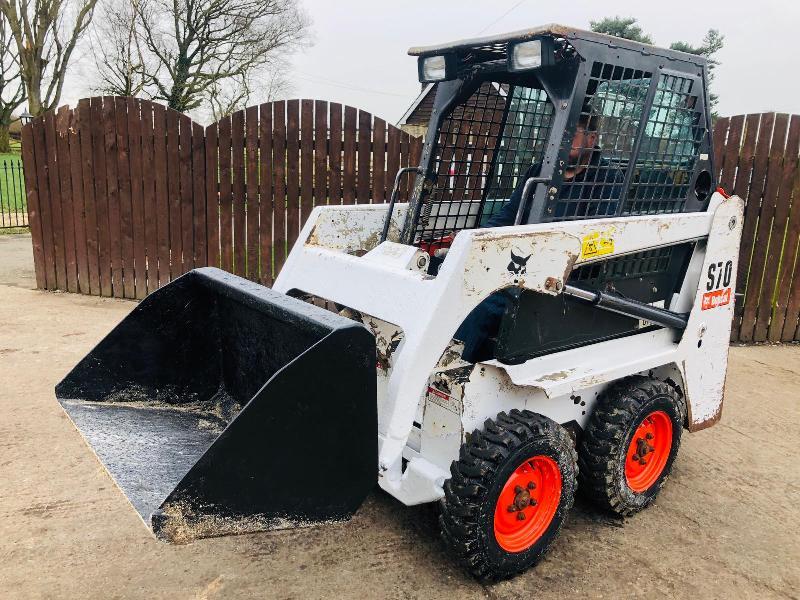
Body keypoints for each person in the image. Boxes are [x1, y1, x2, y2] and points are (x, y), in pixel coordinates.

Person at [454, 112, 624, 363]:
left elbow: (596, 239)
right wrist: (476, 240)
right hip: (521, 263)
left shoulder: (607, 179)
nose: (562, 141)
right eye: (559, 134)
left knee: (482, 306)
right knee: (457, 284)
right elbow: (509, 214)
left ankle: (450, 369)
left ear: (591, 138)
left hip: (566, 276)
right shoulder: (539, 171)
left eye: (571, 134)